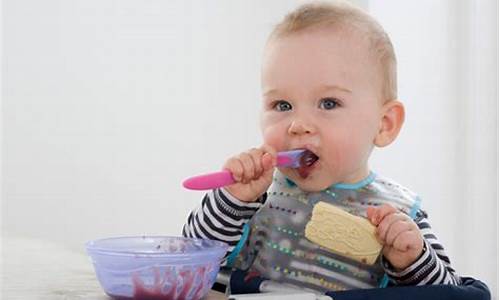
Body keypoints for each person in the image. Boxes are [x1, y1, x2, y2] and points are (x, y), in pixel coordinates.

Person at [182, 0, 461, 294]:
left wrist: (411, 261)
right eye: (282, 105)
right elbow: (189, 266)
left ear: (384, 124)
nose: (298, 124)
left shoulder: (402, 214)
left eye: (329, 103)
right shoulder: (253, 199)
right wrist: (230, 201)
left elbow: (450, 293)